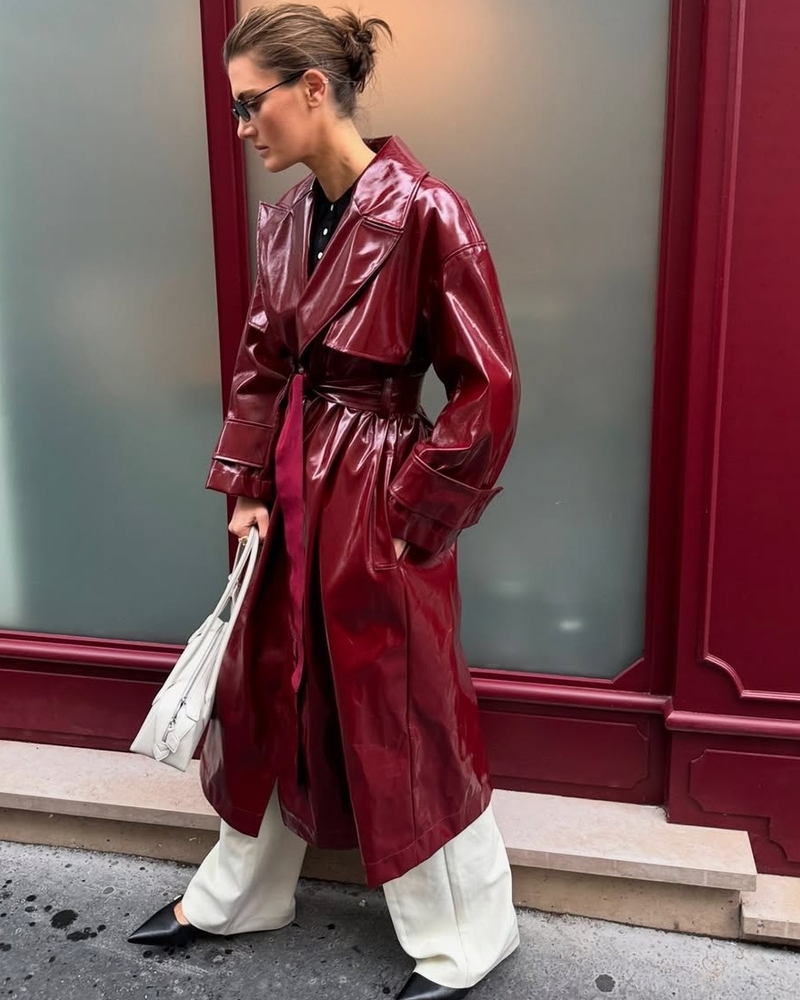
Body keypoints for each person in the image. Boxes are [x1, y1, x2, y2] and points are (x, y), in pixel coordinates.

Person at [129, 5, 521, 998]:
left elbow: (486, 386)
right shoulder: (284, 223)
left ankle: (468, 933)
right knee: (265, 687)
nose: (242, 127)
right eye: (233, 110)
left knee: (406, 706)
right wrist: (246, 486)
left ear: (312, 89)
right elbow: (262, 363)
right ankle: (238, 892)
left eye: (249, 104)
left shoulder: (431, 213)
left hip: (375, 487)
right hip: (293, 486)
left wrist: (414, 513)